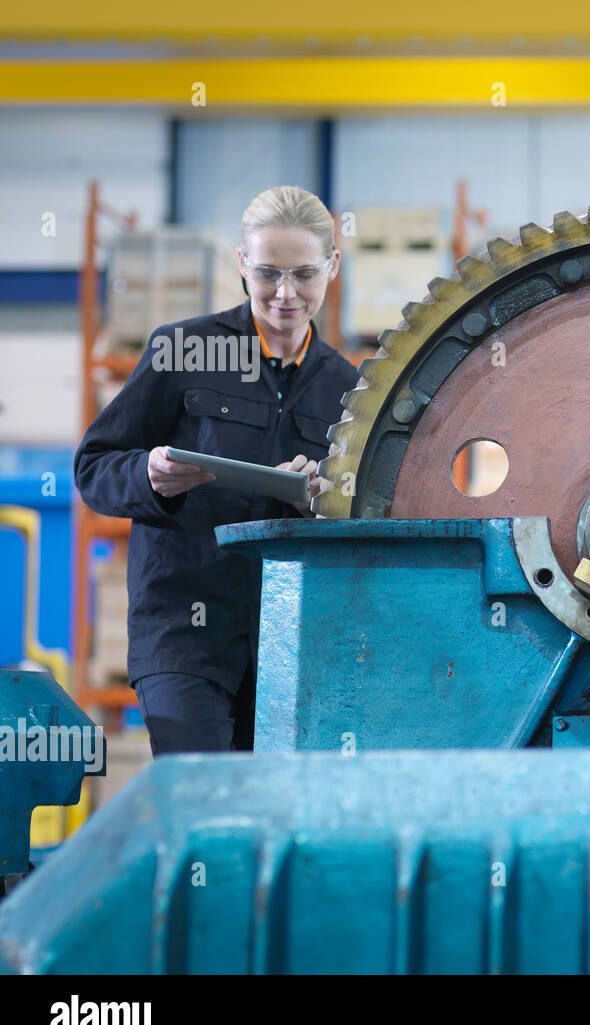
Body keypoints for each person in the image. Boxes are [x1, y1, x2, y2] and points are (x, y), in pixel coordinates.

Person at [75, 186, 360, 755]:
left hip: (291, 643)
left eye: (304, 274)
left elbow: (371, 514)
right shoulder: (182, 352)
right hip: (183, 631)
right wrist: (149, 476)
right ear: (241, 264)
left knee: (267, 815)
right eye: (267, 274)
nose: (285, 294)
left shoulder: (347, 388)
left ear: (332, 266)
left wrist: (324, 501)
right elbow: (94, 467)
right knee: (201, 793)